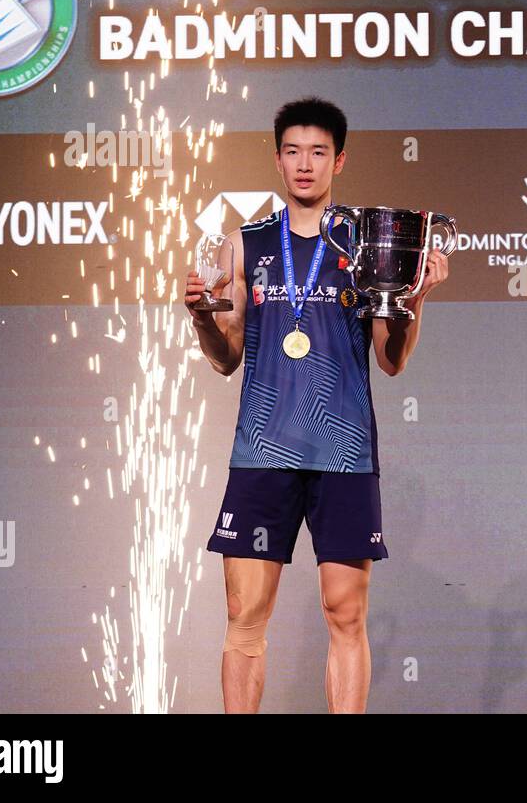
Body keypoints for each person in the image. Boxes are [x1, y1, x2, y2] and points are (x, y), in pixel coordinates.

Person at [183, 96, 449, 713]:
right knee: (243, 617)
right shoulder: (241, 246)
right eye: (294, 152)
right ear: (278, 161)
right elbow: (225, 358)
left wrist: (416, 297)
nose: (306, 164)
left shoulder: (367, 244)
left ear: (340, 160)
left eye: (319, 153)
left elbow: (390, 359)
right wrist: (200, 318)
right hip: (263, 450)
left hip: (343, 451)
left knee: (345, 616)